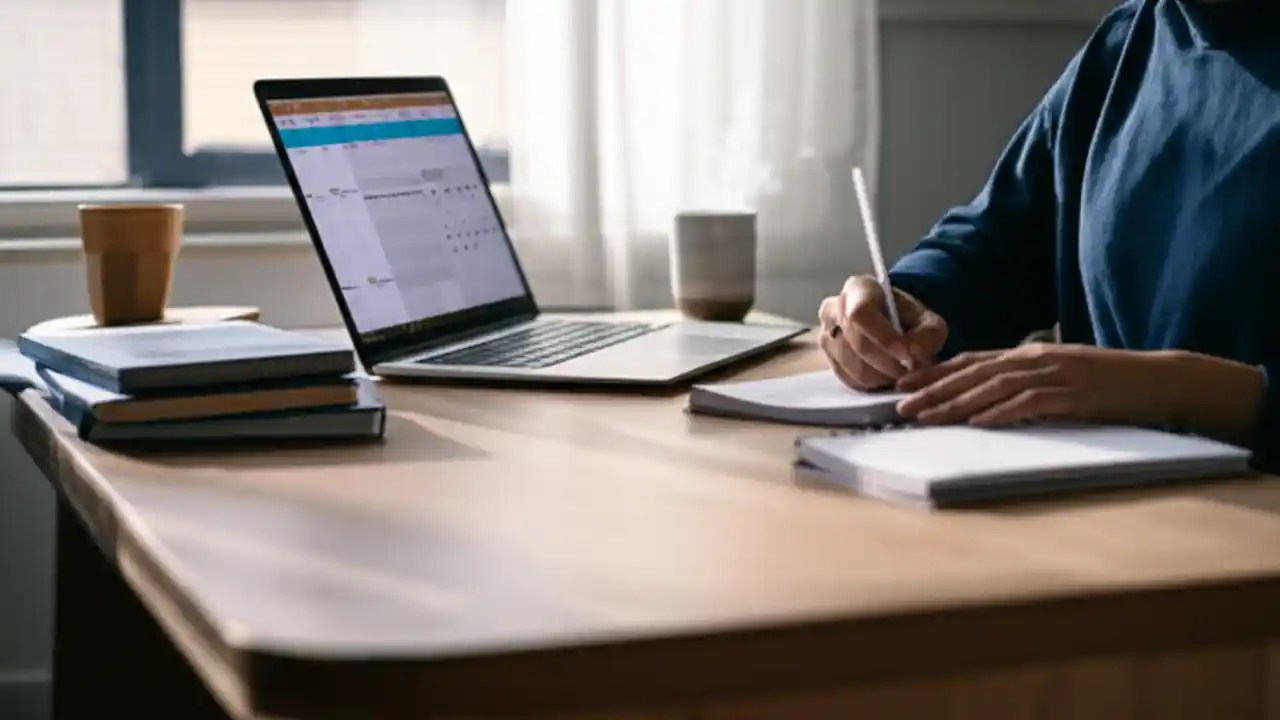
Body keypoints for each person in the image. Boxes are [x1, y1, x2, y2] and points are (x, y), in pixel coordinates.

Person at [819, 0, 1279, 470]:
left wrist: (1177, 388)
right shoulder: (1127, 45)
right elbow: (997, 246)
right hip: (1105, 499)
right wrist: (896, 308)